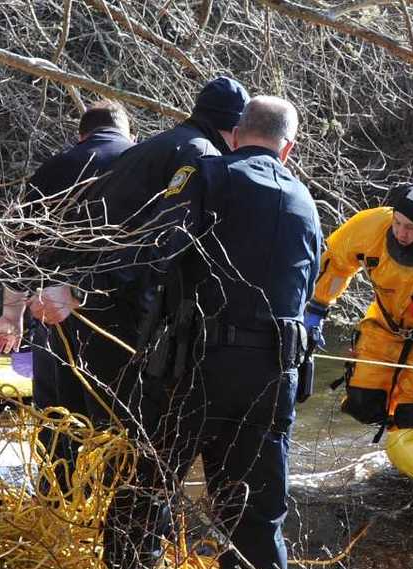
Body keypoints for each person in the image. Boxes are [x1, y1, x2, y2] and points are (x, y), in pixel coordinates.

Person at [98, 96, 319, 569]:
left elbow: (154, 249)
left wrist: (86, 292)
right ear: (288, 147)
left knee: (148, 486)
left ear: (235, 134)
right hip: (274, 381)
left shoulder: (209, 173)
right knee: (257, 521)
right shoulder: (305, 202)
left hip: (197, 371)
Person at [27, 77, 249, 440]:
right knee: (122, 440)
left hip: (70, 307)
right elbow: (159, 240)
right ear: (236, 129)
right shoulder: (200, 155)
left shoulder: (151, 147)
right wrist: (82, 290)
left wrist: (66, 287)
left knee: (63, 431)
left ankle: (55, 498)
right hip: (111, 314)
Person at [0, 100, 134, 492]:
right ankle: (111, 517)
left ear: (81, 135)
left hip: (53, 317)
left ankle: (56, 507)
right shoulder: (142, 163)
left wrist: (10, 315)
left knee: (56, 421)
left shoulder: (54, 168)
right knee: (115, 425)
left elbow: (21, 247)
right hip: (123, 323)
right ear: (128, 133)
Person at [305, 183, 413, 443]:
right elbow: (336, 262)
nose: (400, 233)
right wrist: (317, 307)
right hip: (384, 326)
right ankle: (391, 429)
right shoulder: (372, 227)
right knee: (363, 403)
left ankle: (408, 450)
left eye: (410, 227)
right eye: (397, 223)